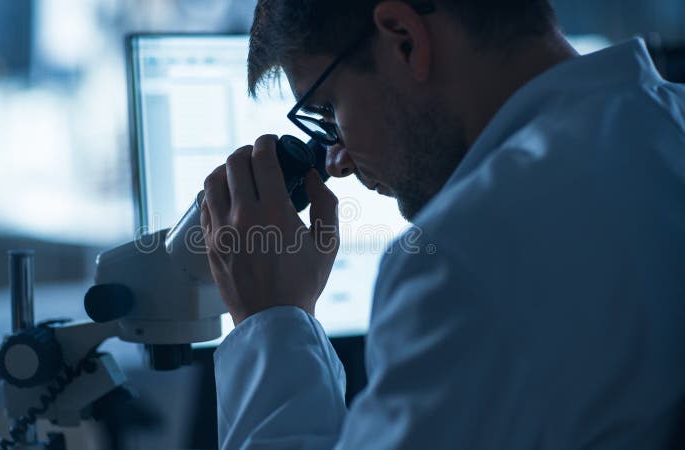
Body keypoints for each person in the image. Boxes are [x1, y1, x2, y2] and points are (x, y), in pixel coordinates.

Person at [199, 0, 685, 448]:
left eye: (329, 110)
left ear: (405, 40)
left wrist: (271, 323)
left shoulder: (465, 258)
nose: (337, 160)